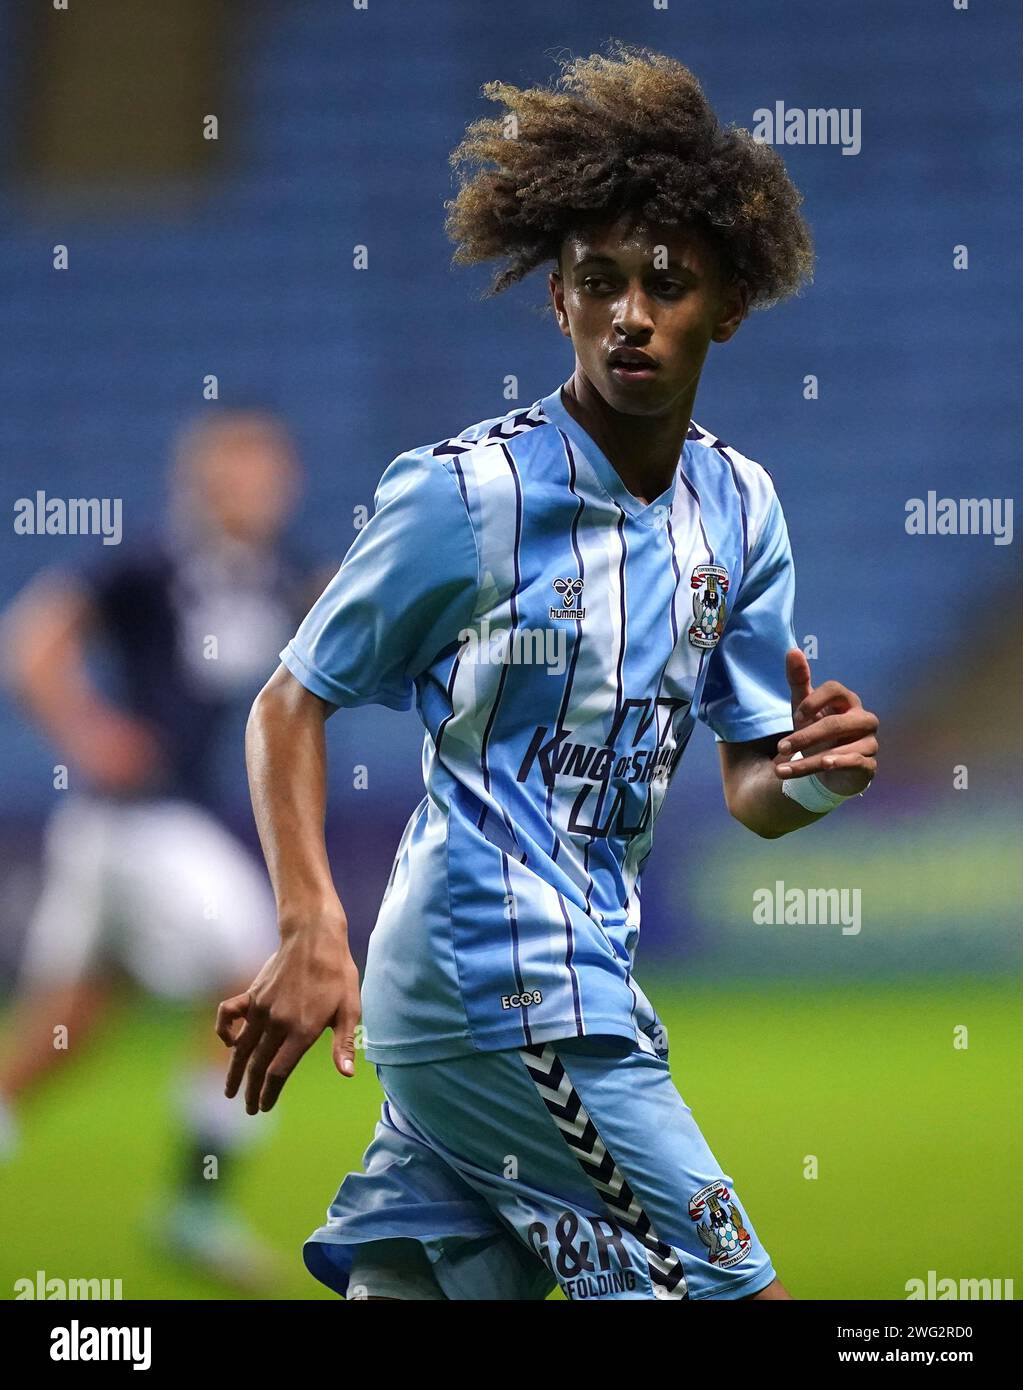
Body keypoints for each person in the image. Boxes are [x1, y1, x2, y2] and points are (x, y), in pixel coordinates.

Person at [218, 47, 880, 1301]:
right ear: (558, 302)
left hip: (555, 983)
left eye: (669, 284)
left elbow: (752, 785)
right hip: (506, 985)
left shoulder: (742, 509)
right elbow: (288, 699)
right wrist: (311, 919)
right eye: (599, 282)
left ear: (728, 304)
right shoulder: (464, 496)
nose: (633, 310)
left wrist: (811, 778)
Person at [0, 409, 310, 1290]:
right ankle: (196, 1204)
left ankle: (195, 1204)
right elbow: (33, 641)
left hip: (118, 838)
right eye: (239, 470)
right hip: (143, 820)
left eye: (267, 471)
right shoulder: (151, 566)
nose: (257, 487)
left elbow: (342, 605)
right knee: (264, 972)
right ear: (202, 481)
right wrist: (86, 728)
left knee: (65, 1029)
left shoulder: (275, 574)